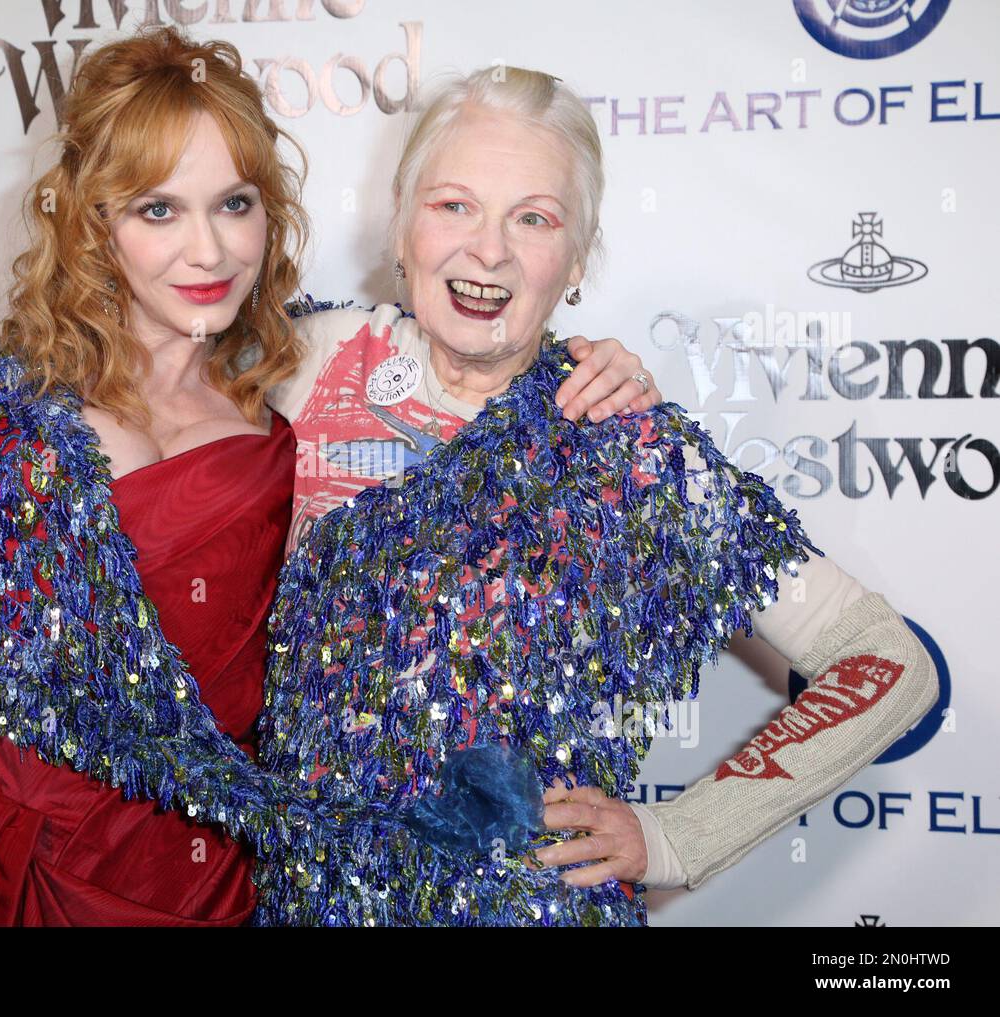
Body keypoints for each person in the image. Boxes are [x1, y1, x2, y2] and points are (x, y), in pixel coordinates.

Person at [0, 27, 647, 927]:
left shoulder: (293, 396)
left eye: (233, 204)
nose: (208, 251)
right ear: (92, 221)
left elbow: (470, 352)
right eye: (158, 210)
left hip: (205, 893)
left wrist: (583, 366)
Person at [250, 65, 940, 925]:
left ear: (576, 257)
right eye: (454, 204)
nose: (489, 250)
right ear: (401, 219)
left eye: (533, 219)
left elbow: (886, 660)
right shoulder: (303, 365)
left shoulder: (628, 439)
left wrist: (684, 834)